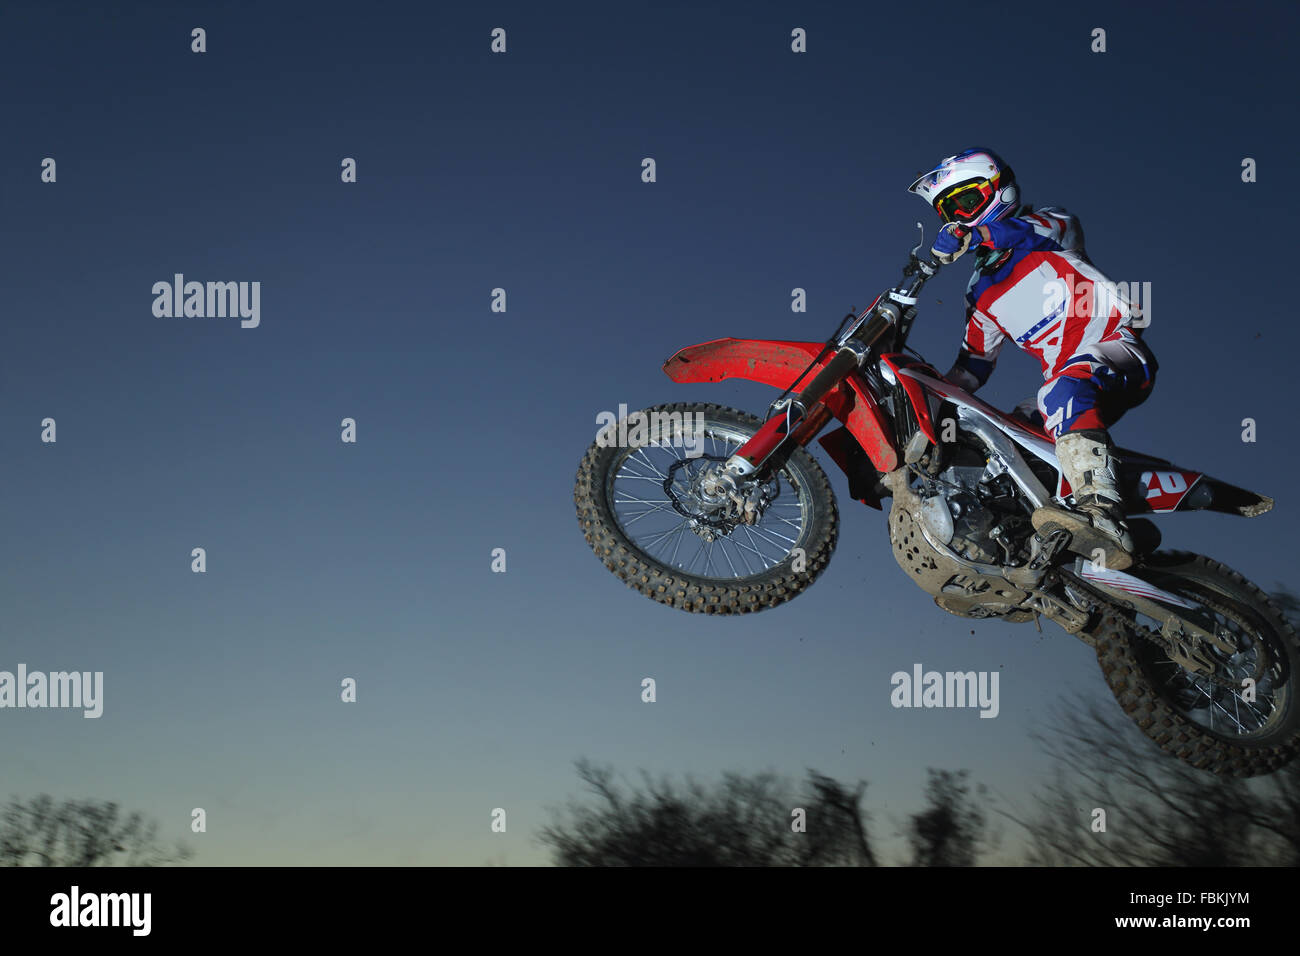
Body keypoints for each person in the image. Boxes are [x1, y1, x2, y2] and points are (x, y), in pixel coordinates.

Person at [908, 148, 1157, 570]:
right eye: (951, 210)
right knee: (1003, 440)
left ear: (997, 188)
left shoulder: (1050, 227)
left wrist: (975, 236)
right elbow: (972, 368)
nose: (961, 217)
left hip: (1118, 351)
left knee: (1060, 388)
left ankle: (1103, 514)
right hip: (1062, 387)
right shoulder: (980, 290)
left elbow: (1022, 233)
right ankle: (1028, 553)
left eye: (967, 201)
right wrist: (923, 399)